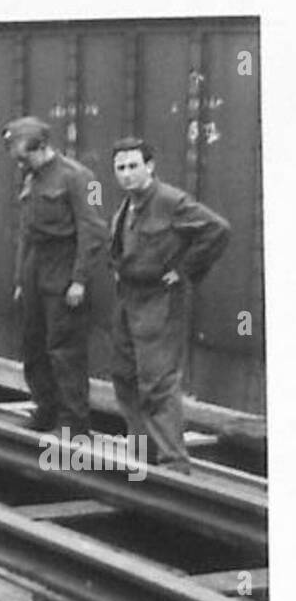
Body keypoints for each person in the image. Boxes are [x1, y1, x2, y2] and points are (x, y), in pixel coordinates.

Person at [108, 137, 230, 471]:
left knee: (157, 381)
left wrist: (184, 271)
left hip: (158, 300)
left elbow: (217, 230)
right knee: (125, 376)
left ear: (150, 166)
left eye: (134, 166)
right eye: (120, 168)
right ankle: (143, 454)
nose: (127, 174)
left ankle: (173, 462)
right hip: (128, 298)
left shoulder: (170, 201)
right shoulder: (127, 206)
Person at [2, 116, 106, 431]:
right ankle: (45, 408)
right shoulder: (31, 176)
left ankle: (73, 420)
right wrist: (21, 278)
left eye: (24, 152)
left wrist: (79, 279)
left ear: (41, 145)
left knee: (65, 349)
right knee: (33, 344)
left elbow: (94, 230)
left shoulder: (81, 178)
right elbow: (26, 231)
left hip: (64, 264)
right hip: (37, 264)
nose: (21, 159)